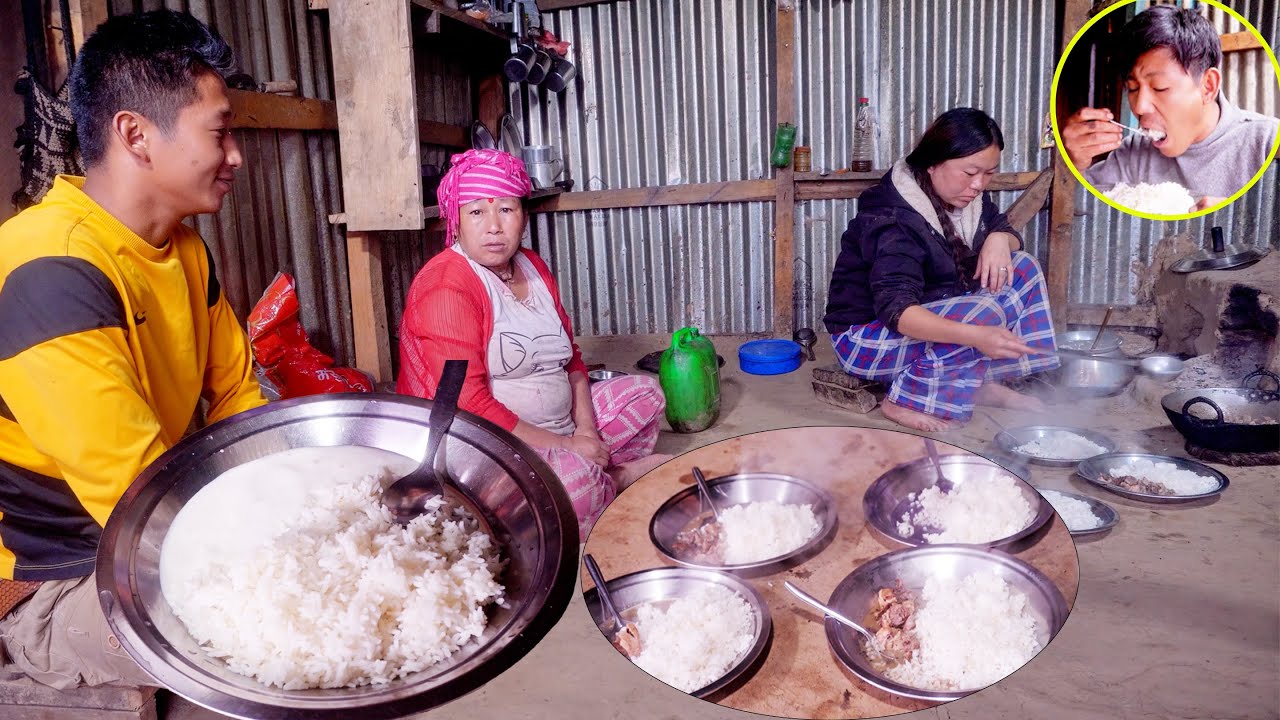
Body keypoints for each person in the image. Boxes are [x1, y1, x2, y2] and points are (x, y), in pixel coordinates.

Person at [0, 10, 265, 688]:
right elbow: (134, 492)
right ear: (136, 134)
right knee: (280, 630)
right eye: (220, 132)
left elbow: (239, 398)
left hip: (149, 536)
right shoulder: (50, 269)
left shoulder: (183, 248)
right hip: (57, 582)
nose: (235, 156)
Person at [397, 149, 670, 539]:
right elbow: (468, 403)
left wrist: (586, 432)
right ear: (455, 222)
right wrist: (567, 445)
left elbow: (571, 360)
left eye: (506, 210)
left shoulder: (532, 265)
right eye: (476, 212)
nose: (494, 227)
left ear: (523, 217)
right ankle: (614, 479)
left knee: (646, 395)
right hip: (483, 441)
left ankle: (586, 479)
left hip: (561, 428)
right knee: (574, 491)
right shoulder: (446, 286)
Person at [823, 108, 1059, 433]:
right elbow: (899, 314)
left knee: (1023, 268)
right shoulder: (893, 219)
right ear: (932, 163)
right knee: (983, 315)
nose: (978, 185)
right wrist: (977, 336)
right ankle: (903, 401)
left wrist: (999, 239)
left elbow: (1005, 230)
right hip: (864, 340)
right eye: (970, 172)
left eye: (989, 173)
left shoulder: (969, 201)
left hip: (922, 322)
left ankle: (973, 383)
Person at [1060, 5, 1280, 211]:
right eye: (1133, 88)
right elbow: (1080, 211)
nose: (1140, 107)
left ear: (1208, 86)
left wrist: (1239, 213)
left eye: (1160, 87)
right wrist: (1072, 164)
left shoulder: (1267, 142)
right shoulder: (1133, 153)